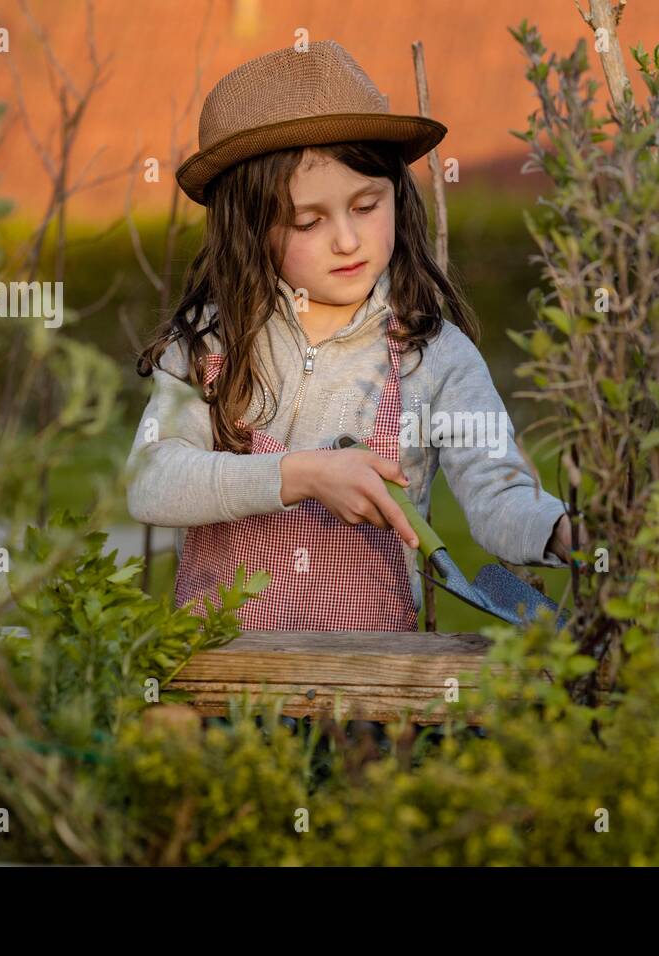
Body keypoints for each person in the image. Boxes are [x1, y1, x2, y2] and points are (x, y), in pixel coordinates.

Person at [126, 40, 574, 632]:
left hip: (371, 690)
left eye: (367, 205)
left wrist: (567, 530)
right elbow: (152, 481)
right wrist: (304, 475)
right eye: (310, 221)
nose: (348, 240)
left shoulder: (432, 357)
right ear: (249, 229)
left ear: (397, 196)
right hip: (221, 687)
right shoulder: (208, 348)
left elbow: (497, 497)